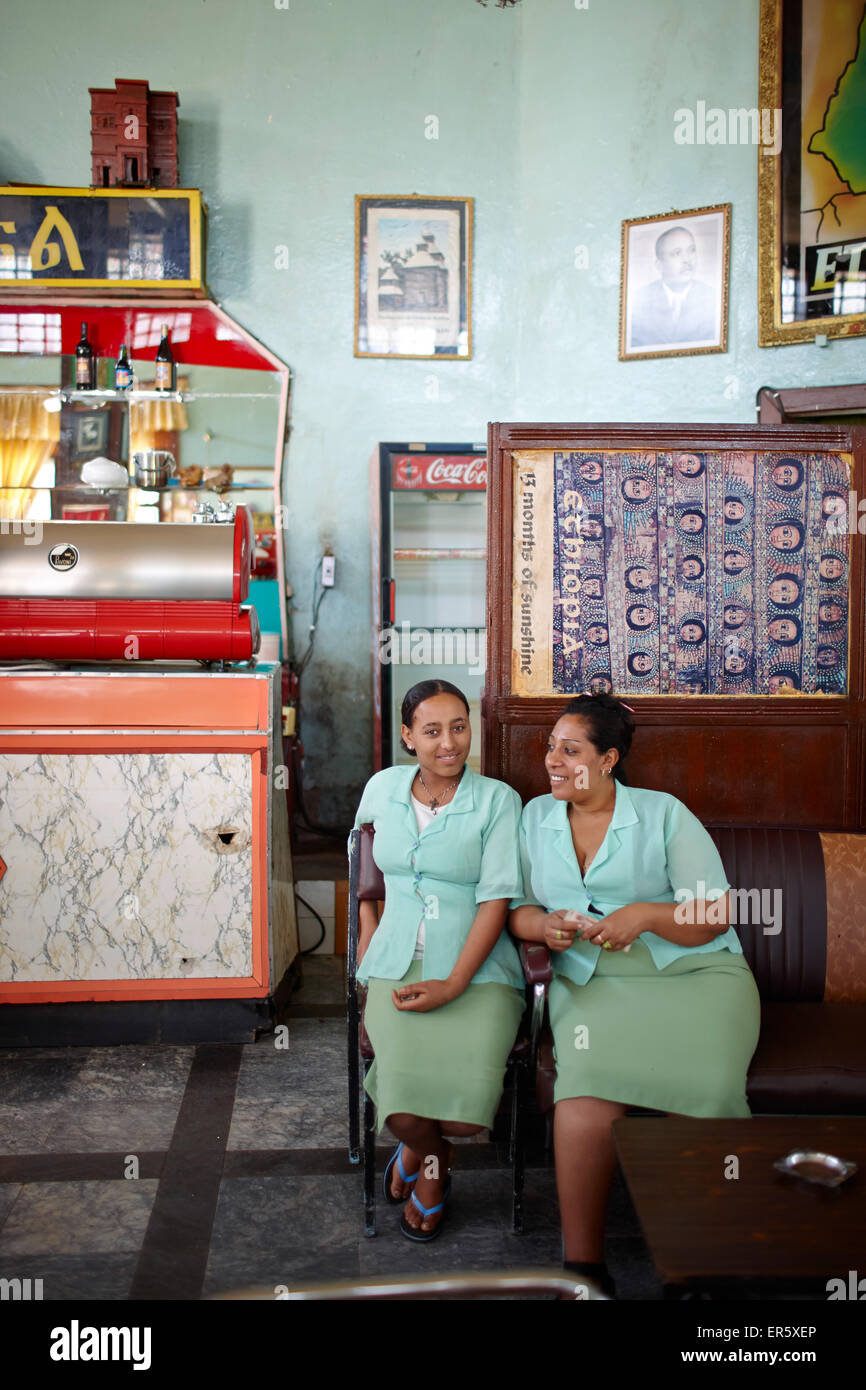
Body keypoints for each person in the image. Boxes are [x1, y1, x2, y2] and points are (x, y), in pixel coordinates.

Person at [509, 693, 760, 1297]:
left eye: (571, 751)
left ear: (609, 758)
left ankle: (701, 1262)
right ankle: (584, 1268)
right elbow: (515, 908)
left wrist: (645, 915)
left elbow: (717, 912)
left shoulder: (661, 813)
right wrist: (542, 928)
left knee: (705, 1089)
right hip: (594, 982)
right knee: (584, 1095)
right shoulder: (533, 818)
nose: (552, 761)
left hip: (695, 977)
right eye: (550, 746)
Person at [353, 679, 526, 1241]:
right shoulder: (382, 788)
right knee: (403, 1112)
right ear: (408, 737)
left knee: (466, 1117)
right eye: (432, 731)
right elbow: (362, 872)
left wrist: (453, 985)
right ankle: (432, 1161)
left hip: (477, 970)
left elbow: (497, 898)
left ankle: (426, 1151)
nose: (449, 743)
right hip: (396, 960)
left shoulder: (498, 801)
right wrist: (366, 932)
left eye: (459, 727)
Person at [629, 225, 718, 349]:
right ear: (659, 265)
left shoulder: (712, 297)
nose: (687, 259)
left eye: (692, 250)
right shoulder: (639, 300)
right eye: (677, 253)